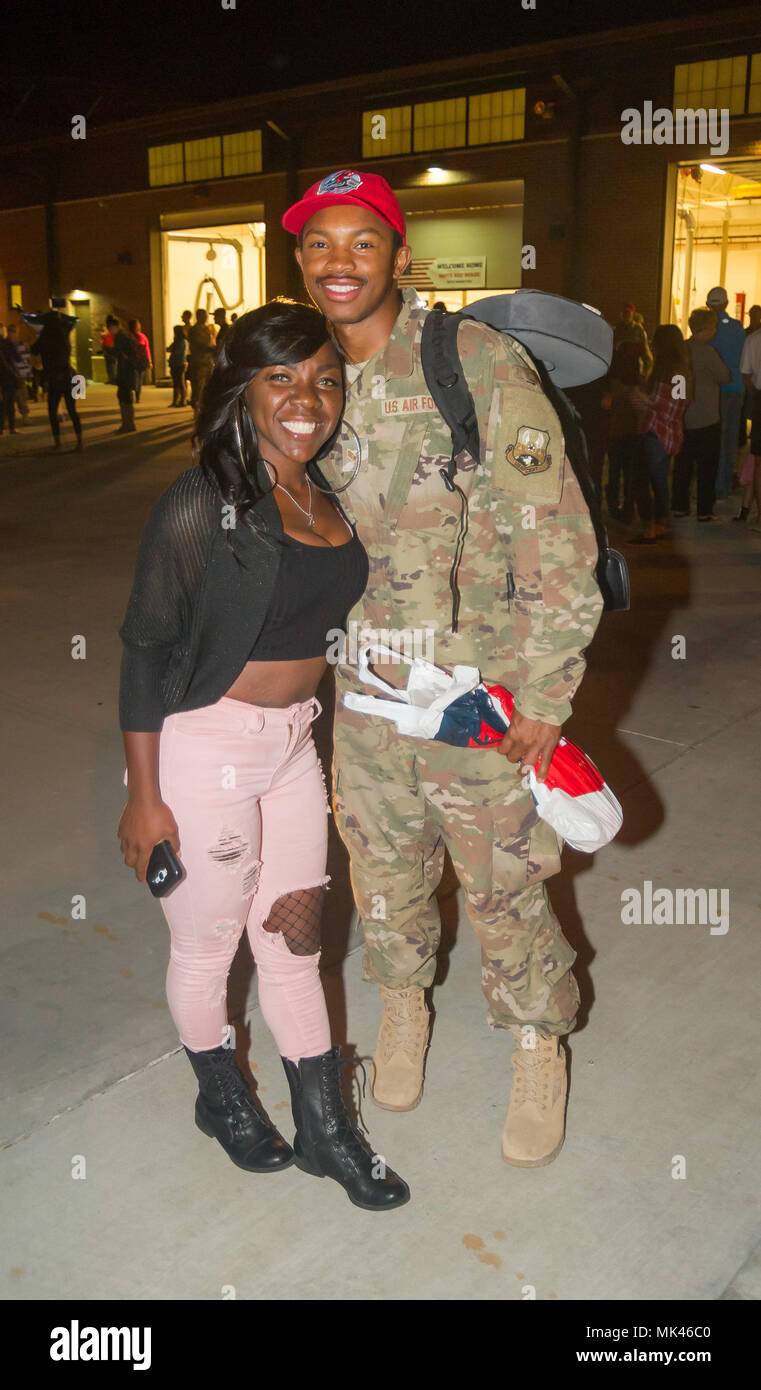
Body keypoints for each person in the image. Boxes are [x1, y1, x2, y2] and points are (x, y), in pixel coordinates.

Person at [283, 169, 605, 1168]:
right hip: (367, 691)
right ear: (298, 259)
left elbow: (552, 538)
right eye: (318, 244)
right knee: (381, 875)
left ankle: (533, 1040)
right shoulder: (303, 371)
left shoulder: (469, 357)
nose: (339, 262)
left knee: (504, 883)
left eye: (360, 241)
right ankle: (401, 1009)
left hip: (478, 697)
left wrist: (545, 699)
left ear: (398, 254)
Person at [117, 300, 409, 1211]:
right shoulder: (204, 497)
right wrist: (143, 795)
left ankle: (326, 1133)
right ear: (241, 387)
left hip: (294, 747)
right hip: (205, 747)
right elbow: (144, 645)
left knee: (294, 938)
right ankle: (223, 1095)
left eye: (324, 380)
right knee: (208, 947)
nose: (305, 398)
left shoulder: (326, 493)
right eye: (281, 377)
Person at [630, 324, 690, 543]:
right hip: (652, 431)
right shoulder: (666, 370)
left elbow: (675, 405)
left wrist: (645, 399)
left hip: (660, 434)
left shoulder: (678, 373)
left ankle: (654, 526)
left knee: (652, 481)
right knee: (654, 480)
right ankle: (657, 524)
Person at [671, 308, 731, 522]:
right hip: (706, 418)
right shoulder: (707, 352)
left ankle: (679, 505)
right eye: (713, 327)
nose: (715, 331)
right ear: (704, 330)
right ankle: (704, 510)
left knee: (682, 465)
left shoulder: (681, 350)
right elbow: (725, 376)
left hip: (683, 417)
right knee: (707, 467)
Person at [19, 305, 83, 451]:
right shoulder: (65, 337)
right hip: (68, 376)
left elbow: (34, 350)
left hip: (54, 378)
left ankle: (58, 442)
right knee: (72, 410)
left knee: (53, 411)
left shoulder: (45, 337)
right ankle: (79, 441)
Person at [705, 287, 745, 498]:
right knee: (730, 441)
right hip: (736, 388)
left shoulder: (708, 330)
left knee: (714, 439)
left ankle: (713, 485)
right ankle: (725, 485)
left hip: (715, 391)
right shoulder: (738, 328)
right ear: (727, 304)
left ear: (708, 305)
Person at [602, 345, 645, 521]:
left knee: (614, 470)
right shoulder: (637, 385)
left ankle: (613, 504)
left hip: (615, 432)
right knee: (630, 472)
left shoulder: (612, 385)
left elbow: (606, 406)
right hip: (633, 432)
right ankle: (628, 507)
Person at [736, 323, 761, 532]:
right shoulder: (752, 338)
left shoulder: (753, 339)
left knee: (759, 462)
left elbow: (746, 375)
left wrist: (754, 397)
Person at [112, 317, 139, 433]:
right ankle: (129, 423)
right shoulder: (128, 336)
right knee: (126, 397)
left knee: (124, 398)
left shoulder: (120, 338)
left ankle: (127, 424)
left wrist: (109, 350)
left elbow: (121, 354)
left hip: (125, 371)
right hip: (129, 371)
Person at [187, 308, 215, 413]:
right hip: (198, 362)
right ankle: (196, 408)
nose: (206, 318)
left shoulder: (206, 329)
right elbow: (198, 345)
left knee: (206, 388)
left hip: (207, 362)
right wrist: (211, 348)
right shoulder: (194, 329)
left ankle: (202, 408)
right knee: (198, 387)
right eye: (204, 315)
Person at [613, 302, 652, 371]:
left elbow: (645, 348)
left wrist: (647, 366)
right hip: (620, 365)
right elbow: (614, 346)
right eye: (624, 312)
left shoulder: (639, 329)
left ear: (632, 314)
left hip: (634, 364)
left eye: (628, 312)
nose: (626, 315)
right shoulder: (617, 329)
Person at [6, 326, 31, 424]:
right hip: (11, 375)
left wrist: (26, 373)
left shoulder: (21, 345)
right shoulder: (6, 344)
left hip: (19, 375)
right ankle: (8, 419)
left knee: (21, 396)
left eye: (14, 332)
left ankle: (25, 416)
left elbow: (26, 360)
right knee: (11, 397)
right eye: (11, 332)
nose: (13, 334)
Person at [0, 323, 21, 434]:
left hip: (3, 377)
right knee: (10, 403)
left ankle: (1, 427)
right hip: (9, 376)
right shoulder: (8, 344)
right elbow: (18, 359)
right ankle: (11, 428)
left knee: (2, 403)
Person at [129, 319, 152, 403]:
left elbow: (141, 346)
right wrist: (150, 361)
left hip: (136, 360)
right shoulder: (142, 336)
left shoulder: (136, 336)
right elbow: (147, 349)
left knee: (135, 378)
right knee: (139, 378)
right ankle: (137, 395)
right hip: (142, 360)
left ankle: (135, 393)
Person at [166, 325, 188, 406]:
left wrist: (170, 349)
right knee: (179, 383)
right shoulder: (182, 341)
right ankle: (180, 400)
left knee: (178, 383)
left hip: (178, 364)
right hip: (180, 363)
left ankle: (181, 400)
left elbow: (171, 350)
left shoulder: (179, 341)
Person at [101, 315, 120, 385]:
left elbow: (106, 335)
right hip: (108, 347)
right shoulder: (110, 328)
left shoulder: (110, 328)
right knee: (110, 364)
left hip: (110, 347)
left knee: (111, 364)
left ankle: (113, 379)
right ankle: (112, 378)